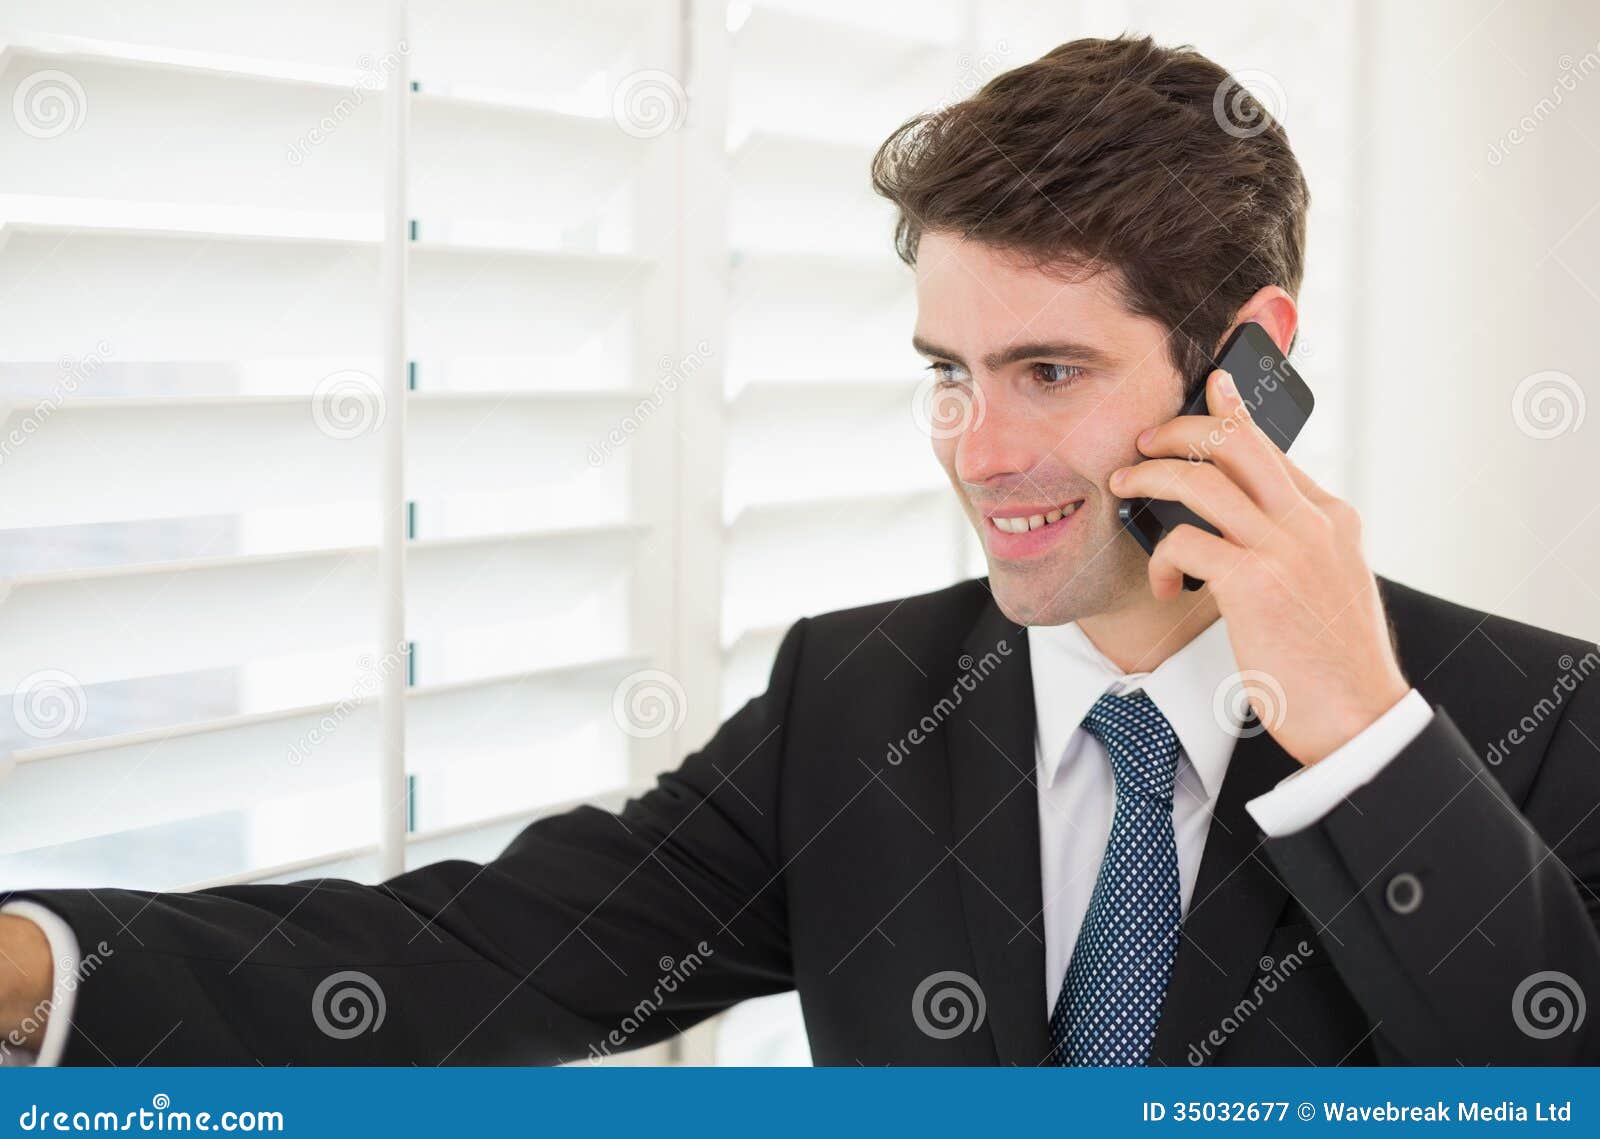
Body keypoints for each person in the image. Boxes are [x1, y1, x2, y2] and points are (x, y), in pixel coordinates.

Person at [3, 34, 1597, 1067]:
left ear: (1246, 358)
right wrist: (27, 968)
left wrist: (1371, 749)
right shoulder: (854, 703)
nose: (980, 452)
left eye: (1049, 371)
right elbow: (464, 956)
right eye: (948, 375)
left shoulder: (1535, 725)